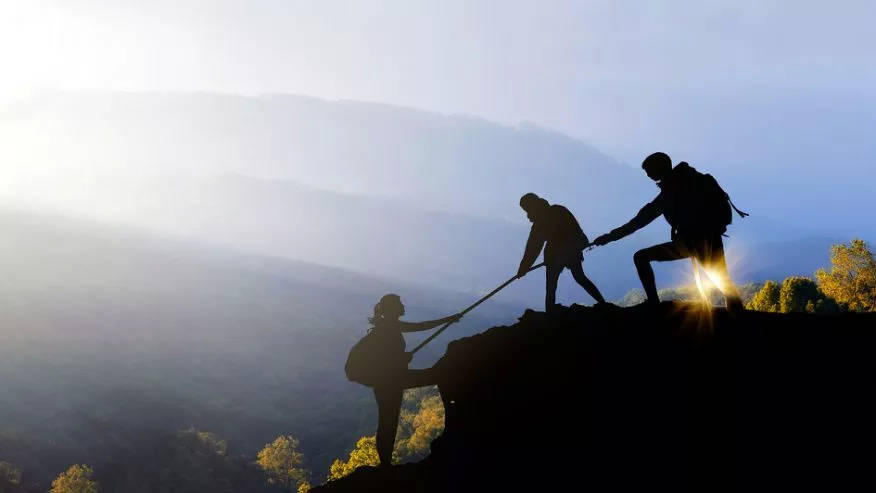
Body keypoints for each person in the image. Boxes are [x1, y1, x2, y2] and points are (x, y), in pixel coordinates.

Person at [592, 152, 745, 311]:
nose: (648, 175)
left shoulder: (668, 195)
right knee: (723, 280)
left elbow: (637, 222)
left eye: (649, 171)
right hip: (711, 237)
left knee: (641, 257)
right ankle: (739, 316)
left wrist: (608, 237)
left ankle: (654, 304)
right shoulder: (694, 181)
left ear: (659, 169)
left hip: (690, 243)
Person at [365, 294, 462, 467]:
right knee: (388, 421)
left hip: (391, 380)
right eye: (399, 303)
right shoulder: (388, 327)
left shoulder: (388, 325)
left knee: (388, 421)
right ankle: (385, 466)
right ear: (393, 308)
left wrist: (448, 320)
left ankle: (385, 466)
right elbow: (384, 359)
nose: (403, 306)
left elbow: (420, 326)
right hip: (391, 381)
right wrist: (401, 359)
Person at [516, 193, 606, 312]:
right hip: (562, 252)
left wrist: (524, 267)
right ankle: (602, 304)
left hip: (563, 252)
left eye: (527, 209)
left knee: (555, 284)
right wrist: (524, 267)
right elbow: (533, 249)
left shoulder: (548, 217)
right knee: (573, 279)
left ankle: (550, 312)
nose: (528, 213)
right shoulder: (551, 215)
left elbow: (533, 249)